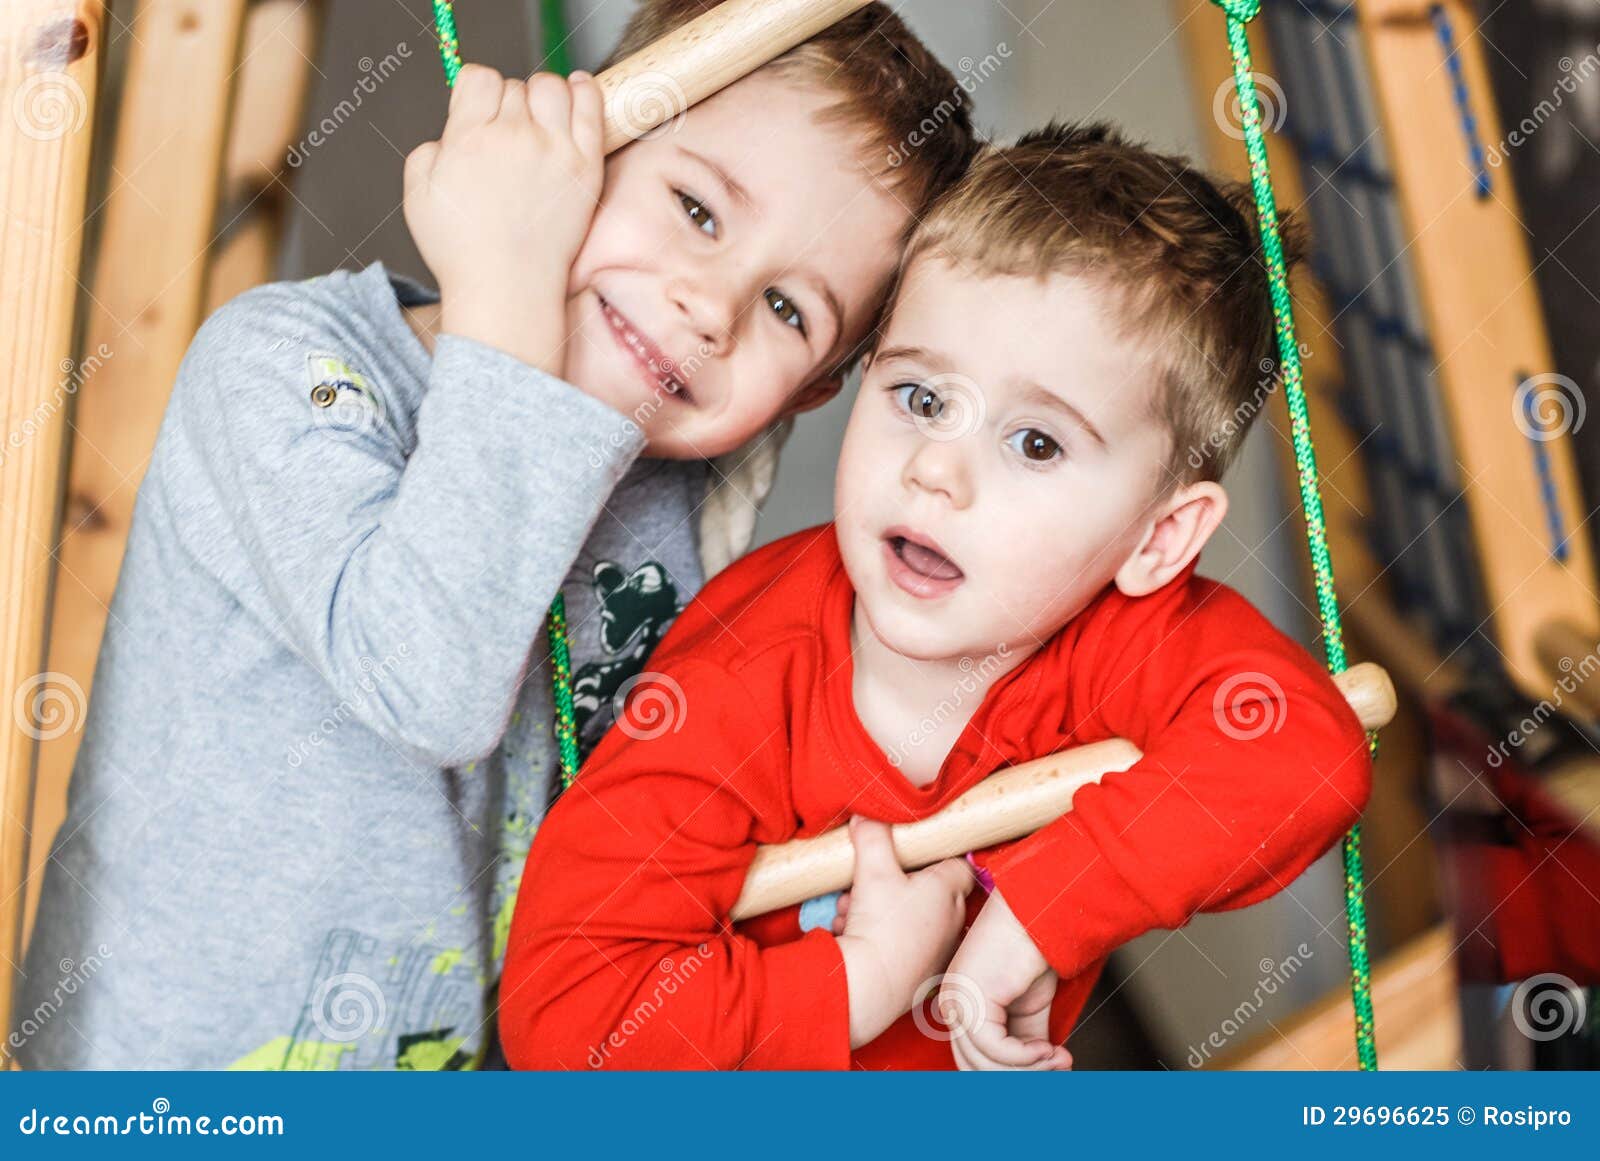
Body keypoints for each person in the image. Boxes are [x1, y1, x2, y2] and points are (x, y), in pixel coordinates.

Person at [13, 0, 978, 1069]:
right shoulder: (292, 371)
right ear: (576, 151)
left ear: (814, 392)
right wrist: (508, 275)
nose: (711, 307)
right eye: (697, 211)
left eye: (790, 310)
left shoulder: (684, 500)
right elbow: (431, 683)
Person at [499, 123, 1374, 1070]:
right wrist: (860, 982)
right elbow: (567, 1018)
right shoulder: (742, 681)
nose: (936, 473)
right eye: (921, 398)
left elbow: (1305, 749)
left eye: (1035, 442)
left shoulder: (1117, 638)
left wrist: (1044, 913)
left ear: (1158, 539)